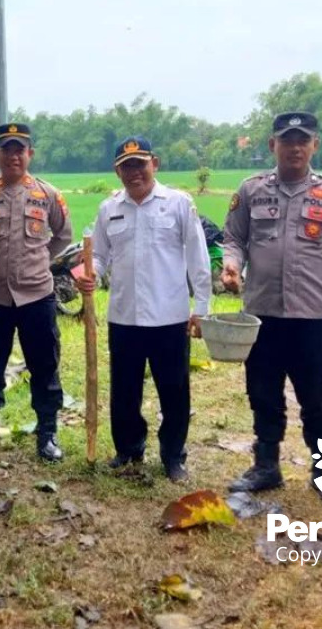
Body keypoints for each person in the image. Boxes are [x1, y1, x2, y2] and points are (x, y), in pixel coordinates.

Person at [222, 111, 322, 502]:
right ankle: (266, 465)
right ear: (273, 146)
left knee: (317, 398)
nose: (295, 147)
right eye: (287, 140)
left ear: (315, 145)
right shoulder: (251, 190)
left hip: (310, 315)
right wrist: (232, 264)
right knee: (263, 393)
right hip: (261, 314)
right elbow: (233, 237)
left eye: (303, 140)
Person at [76, 137, 212, 481]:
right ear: (117, 171)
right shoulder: (110, 209)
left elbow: (198, 257)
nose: (134, 172)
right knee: (124, 390)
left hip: (170, 316)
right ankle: (128, 448)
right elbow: (101, 256)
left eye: (140, 164)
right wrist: (90, 274)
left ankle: (172, 456)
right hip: (124, 316)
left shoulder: (179, 204)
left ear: (155, 163)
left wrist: (203, 307)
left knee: (174, 390)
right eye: (126, 166)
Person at [0, 123, 73, 462]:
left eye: (20, 149)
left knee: (45, 364)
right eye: (7, 149)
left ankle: (47, 433)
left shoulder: (47, 195)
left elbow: (63, 237)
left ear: (30, 154)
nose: (14, 155)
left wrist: (39, 260)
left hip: (37, 296)